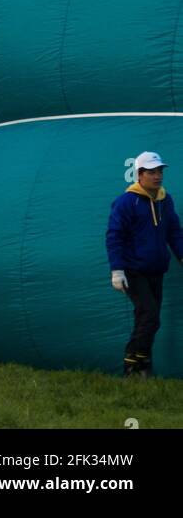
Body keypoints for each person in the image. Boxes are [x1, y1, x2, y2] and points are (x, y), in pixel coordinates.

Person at [106, 151, 183, 376]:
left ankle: (142, 365)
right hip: (133, 271)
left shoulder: (165, 200)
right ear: (139, 174)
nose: (157, 176)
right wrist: (117, 270)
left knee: (148, 319)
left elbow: (174, 233)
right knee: (149, 316)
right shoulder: (125, 202)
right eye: (151, 172)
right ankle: (132, 363)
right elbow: (114, 236)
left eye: (159, 171)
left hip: (156, 270)